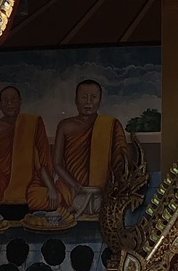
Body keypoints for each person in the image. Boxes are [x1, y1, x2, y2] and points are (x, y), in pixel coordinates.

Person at [52, 79, 127, 221]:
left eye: (93, 97)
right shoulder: (65, 125)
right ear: (76, 100)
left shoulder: (110, 125)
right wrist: (75, 185)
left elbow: (121, 161)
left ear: (100, 100)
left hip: (102, 191)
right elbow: (57, 164)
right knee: (54, 197)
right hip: (72, 189)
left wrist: (108, 187)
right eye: (83, 97)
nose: (88, 102)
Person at [0, 84, 58, 218]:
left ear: (20, 102)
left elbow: (41, 163)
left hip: (29, 183)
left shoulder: (31, 123)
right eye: (5, 100)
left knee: (46, 198)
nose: (10, 104)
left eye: (13, 100)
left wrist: (51, 188)